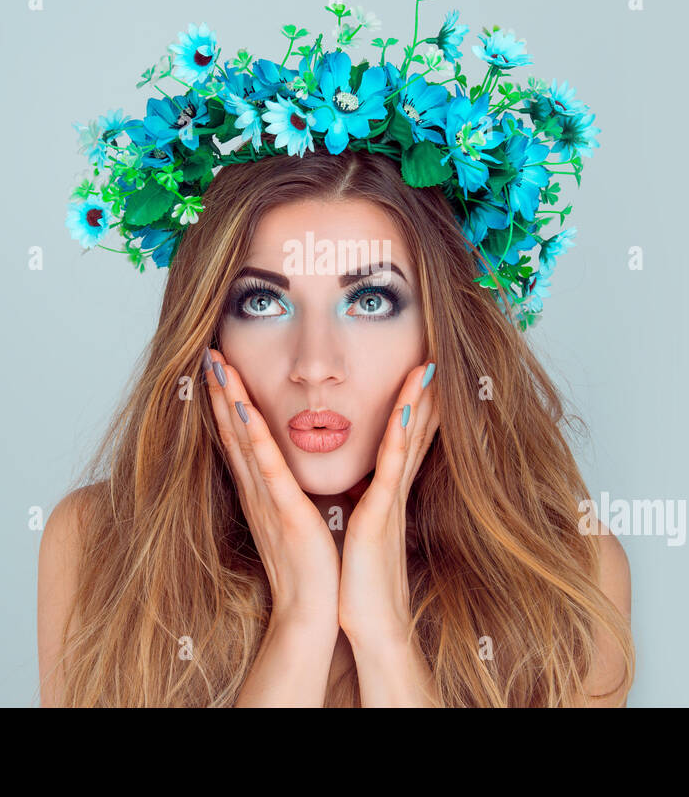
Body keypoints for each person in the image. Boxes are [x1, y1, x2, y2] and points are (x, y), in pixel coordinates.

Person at [38, 146, 633, 707]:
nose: (315, 366)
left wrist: (385, 638)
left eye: (370, 302)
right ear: (209, 336)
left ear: (442, 333)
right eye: (263, 304)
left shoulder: (576, 571)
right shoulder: (97, 542)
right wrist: (301, 620)